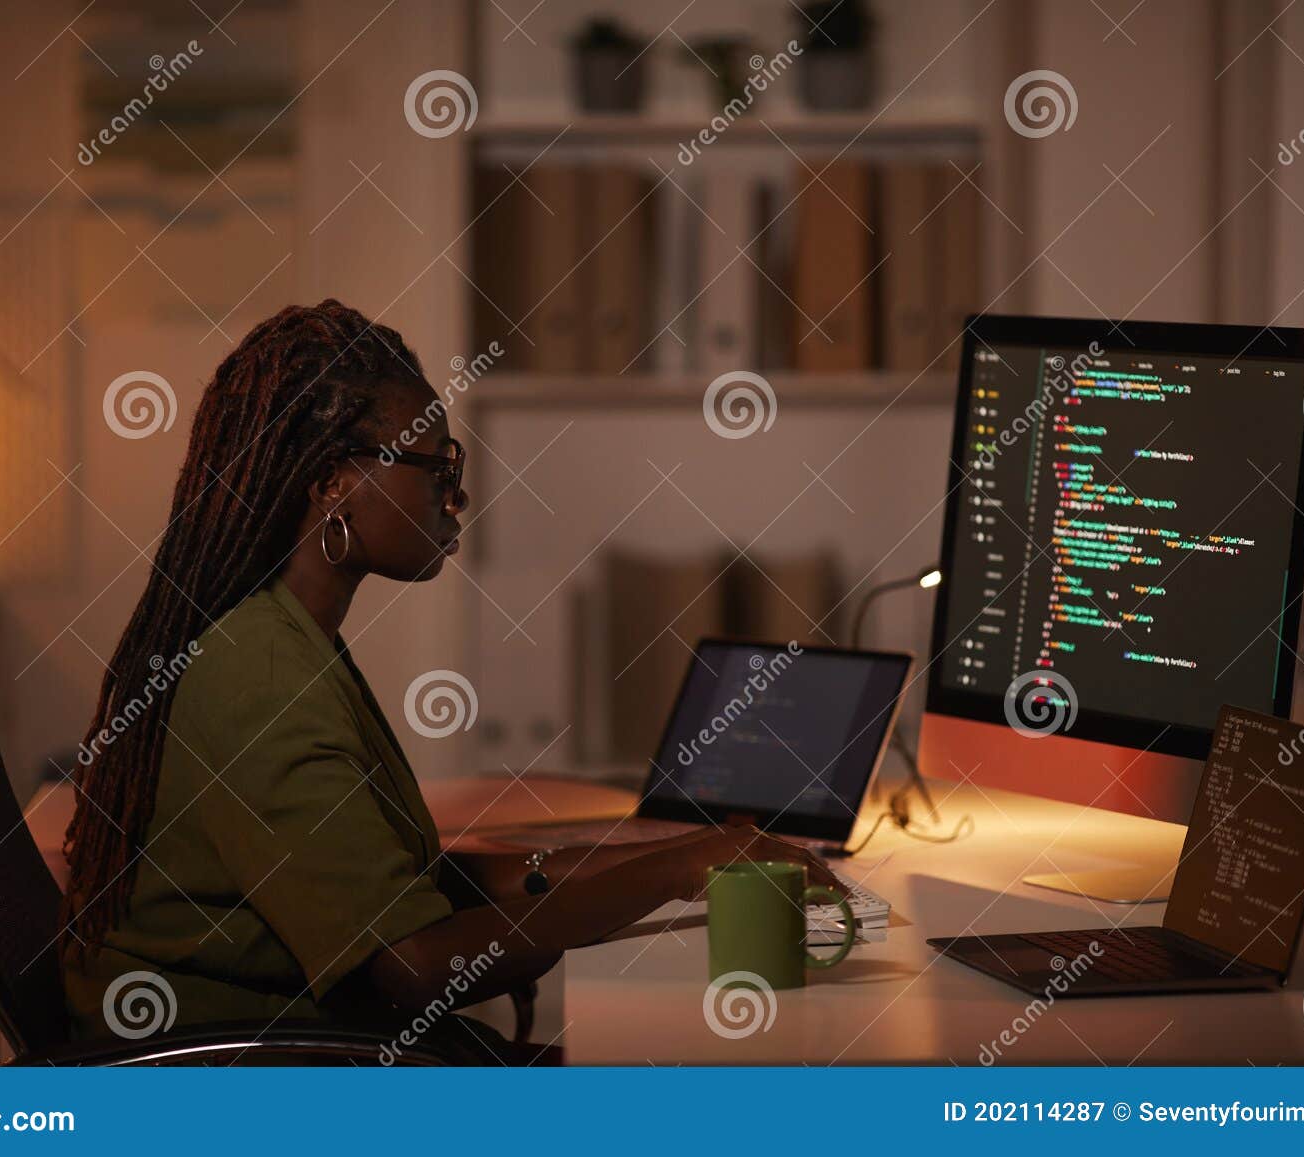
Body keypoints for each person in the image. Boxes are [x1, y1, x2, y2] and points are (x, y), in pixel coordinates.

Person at [60, 300, 844, 1044]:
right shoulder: (263, 673)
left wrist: (690, 850)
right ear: (335, 481)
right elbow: (417, 965)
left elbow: (424, 883)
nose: (457, 492)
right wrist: (684, 867)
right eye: (436, 465)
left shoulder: (282, 636)